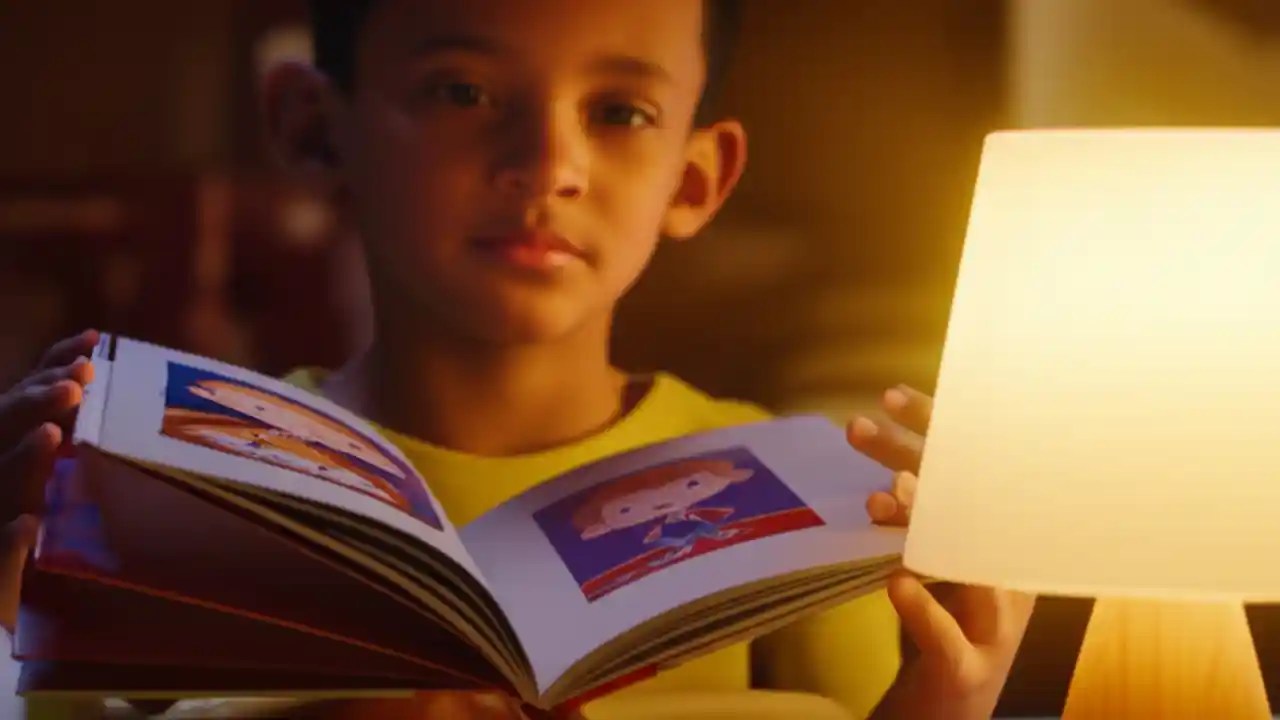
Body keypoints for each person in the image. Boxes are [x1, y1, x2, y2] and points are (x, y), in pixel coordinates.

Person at [0, 1, 1034, 718]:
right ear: (314, 128)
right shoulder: (178, 476)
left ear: (695, 178)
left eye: (619, 112)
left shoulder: (789, 489)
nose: (546, 166)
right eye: (461, 91)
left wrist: (953, 692)